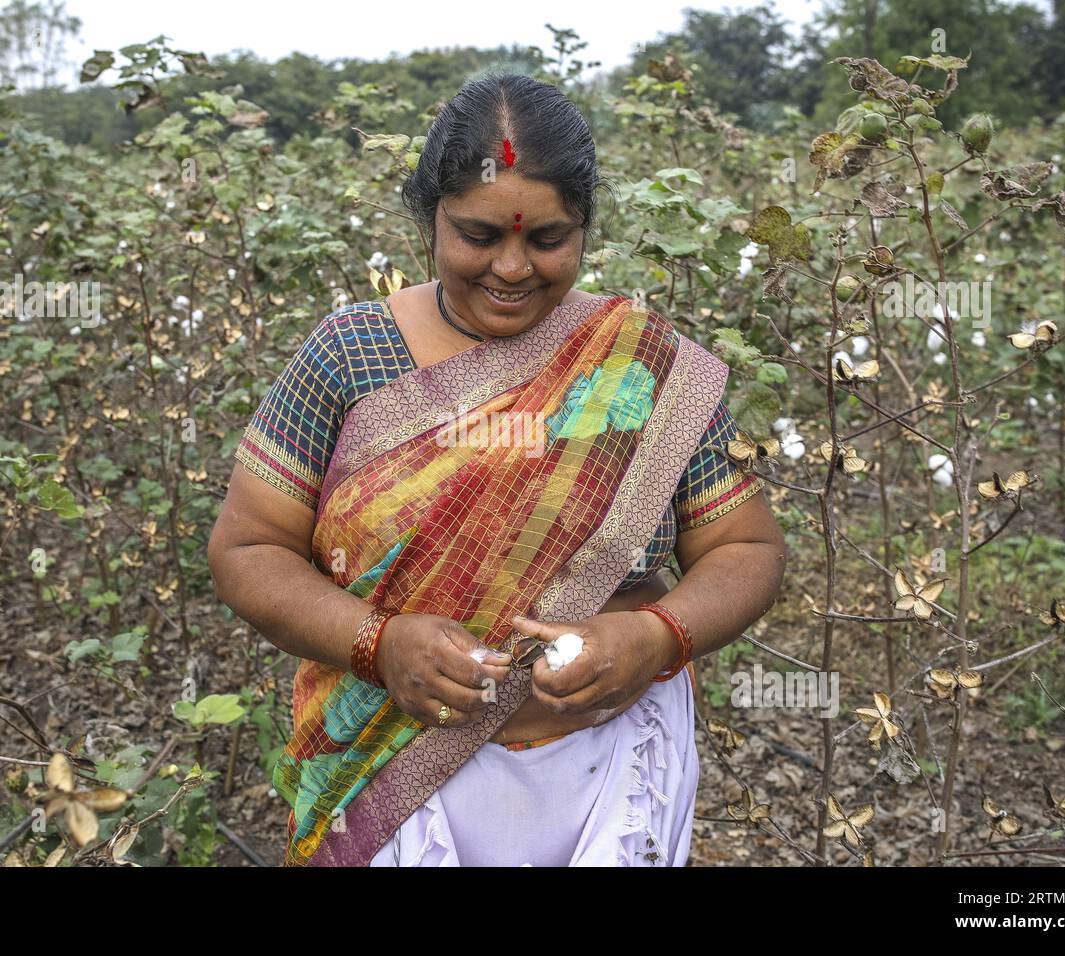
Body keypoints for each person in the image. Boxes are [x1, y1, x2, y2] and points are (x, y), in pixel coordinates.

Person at [207, 72, 787, 867]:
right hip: (391, 765)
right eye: (479, 235)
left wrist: (653, 640)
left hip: (611, 772)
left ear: (585, 228)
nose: (512, 268)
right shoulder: (351, 356)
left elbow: (745, 550)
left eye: (548, 239)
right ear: (429, 220)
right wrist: (378, 642)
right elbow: (248, 551)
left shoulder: (641, 363)